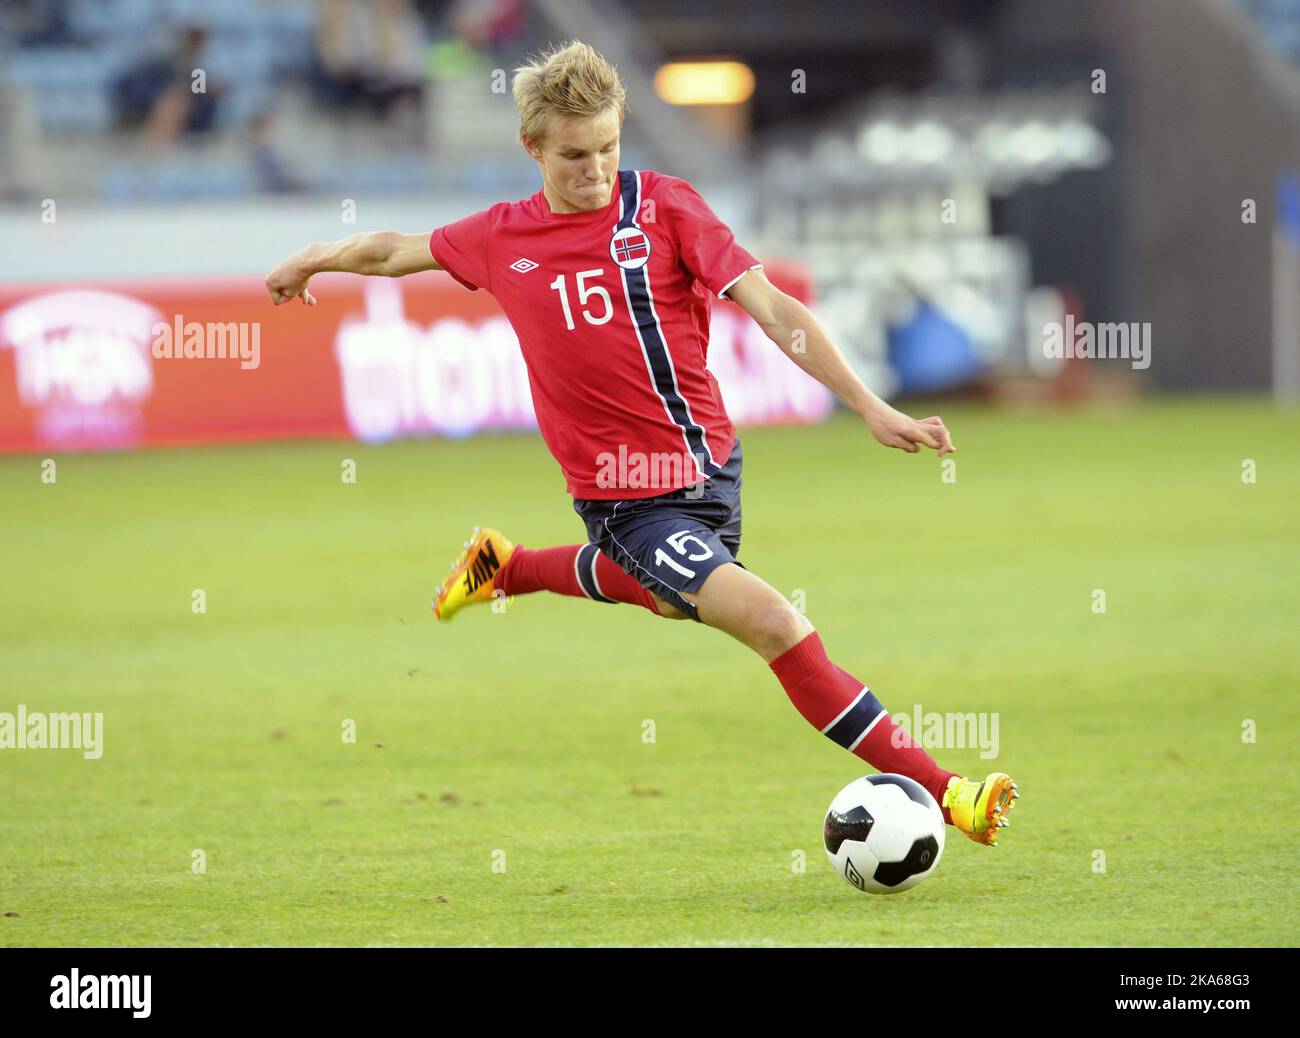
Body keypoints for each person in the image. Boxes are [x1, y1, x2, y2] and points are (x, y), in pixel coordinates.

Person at [265, 40, 1018, 846]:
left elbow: (774, 311)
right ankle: (950, 794)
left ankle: (509, 565)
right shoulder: (499, 236)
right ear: (533, 149)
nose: (594, 170)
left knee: (668, 597)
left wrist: (869, 405)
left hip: (711, 468)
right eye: (574, 155)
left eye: (609, 149)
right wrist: (317, 257)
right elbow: (387, 252)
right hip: (624, 496)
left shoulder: (666, 207)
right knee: (774, 623)